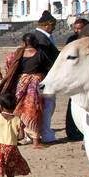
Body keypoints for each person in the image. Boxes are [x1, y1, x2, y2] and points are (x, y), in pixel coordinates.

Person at [1, 33, 50, 147]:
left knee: (18, 110)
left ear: (23, 43)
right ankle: (36, 141)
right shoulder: (40, 54)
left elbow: (9, 65)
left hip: (20, 85)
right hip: (35, 86)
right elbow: (48, 67)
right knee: (35, 112)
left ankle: (18, 134)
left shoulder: (17, 54)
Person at [32, 12, 60, 141]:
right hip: (43, 76)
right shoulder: (42, 39)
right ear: (48, 25)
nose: (54, 28)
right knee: (47, 105)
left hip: (38, 76)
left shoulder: (41, 37)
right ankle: (46, 133)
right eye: (53, 25)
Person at [64, 18, 88, 141]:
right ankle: (71, 132)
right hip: (75, 76)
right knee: (73, 104)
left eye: (80, 28)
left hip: (87, 77)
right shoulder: (72, 40)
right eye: (76, 28)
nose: (77, 30)